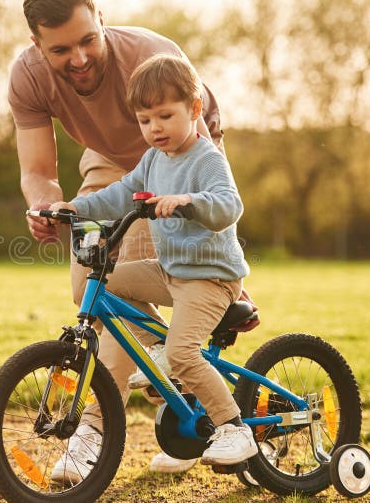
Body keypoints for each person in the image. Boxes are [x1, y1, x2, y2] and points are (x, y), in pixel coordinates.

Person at [9, 0, 258, 475]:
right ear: (37, 45)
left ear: (102, 20)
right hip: (118, 167)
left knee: (169, 280)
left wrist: (191, 213)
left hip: (176, 161)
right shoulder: (28, 77)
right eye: (61, 49)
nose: (78, 59)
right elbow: (38, 172)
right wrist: (50, 208)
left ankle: (97, 431)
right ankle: (173, 372)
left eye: (87, 40)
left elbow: (210, 164)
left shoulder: (151, 56)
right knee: (90, 281)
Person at [48, 54, 259, 483]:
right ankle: (156, 357)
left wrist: (189, 203)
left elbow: (229, 205)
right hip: (170, 270)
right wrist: (74, 207)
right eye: (145, 120)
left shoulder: (206, 158)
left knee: (184, 352)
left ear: (194, 110)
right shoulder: (153, 160)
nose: (155, 128)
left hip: (211, 277)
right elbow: (122, 192)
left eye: (165, 116)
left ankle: (234, 428)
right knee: (108, 284)